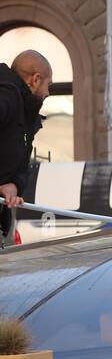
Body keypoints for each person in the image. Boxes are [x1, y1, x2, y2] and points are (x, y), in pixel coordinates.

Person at [0, 50, 51, 247]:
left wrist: (13, 184)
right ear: (36, 79)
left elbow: (22, 165)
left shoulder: (26, 114)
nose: (48, 92)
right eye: (49, 84)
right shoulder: (6, 98)